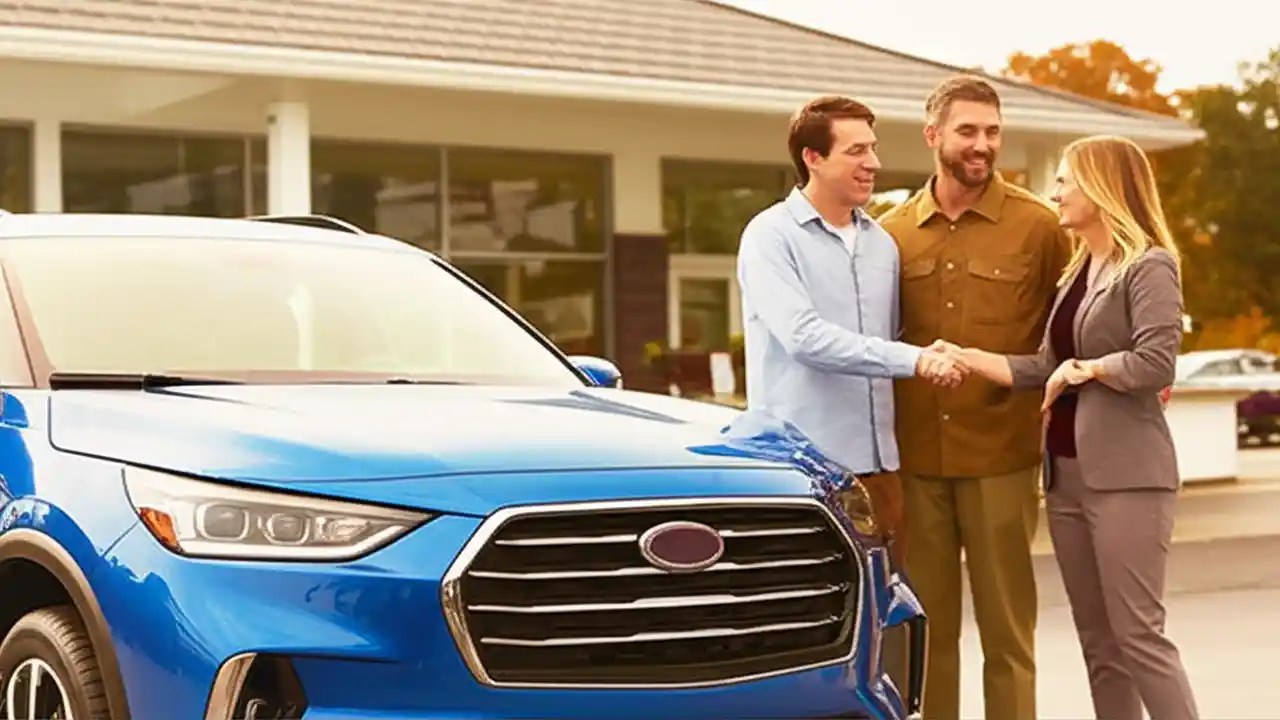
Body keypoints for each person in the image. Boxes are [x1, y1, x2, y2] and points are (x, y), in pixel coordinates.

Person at [959, 134, 1200, 720]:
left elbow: (1155, 363)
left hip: (1127, 478)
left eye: (1065, 179)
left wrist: (1087, 368)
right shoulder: (1077, 273)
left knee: (1139, 637)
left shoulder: (1150, 266)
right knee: (1101, 647)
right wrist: (964, 356)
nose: (1056, 191)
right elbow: (1044, 368)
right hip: (1065, 477)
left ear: (1101, 186)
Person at [877, 75, 1072, 720]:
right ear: (934, 136)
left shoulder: (1041, 228)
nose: (982, 145)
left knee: (1008, 637)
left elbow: (1069, 333)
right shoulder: (890, 233)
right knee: (927, 634)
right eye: (967, 131)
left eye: (992, 131)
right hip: (918, 464)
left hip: (1003, 461)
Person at [736, 95, 966, 566]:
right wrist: (916, 359)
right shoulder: (769, 236)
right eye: (856, 151)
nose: (873, 163)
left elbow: (889, 336)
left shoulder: (882, 243)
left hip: (881, 473)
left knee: (888, 614)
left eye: (873, 149)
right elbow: (805, 338)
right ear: (813, 159)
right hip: (801, 470)